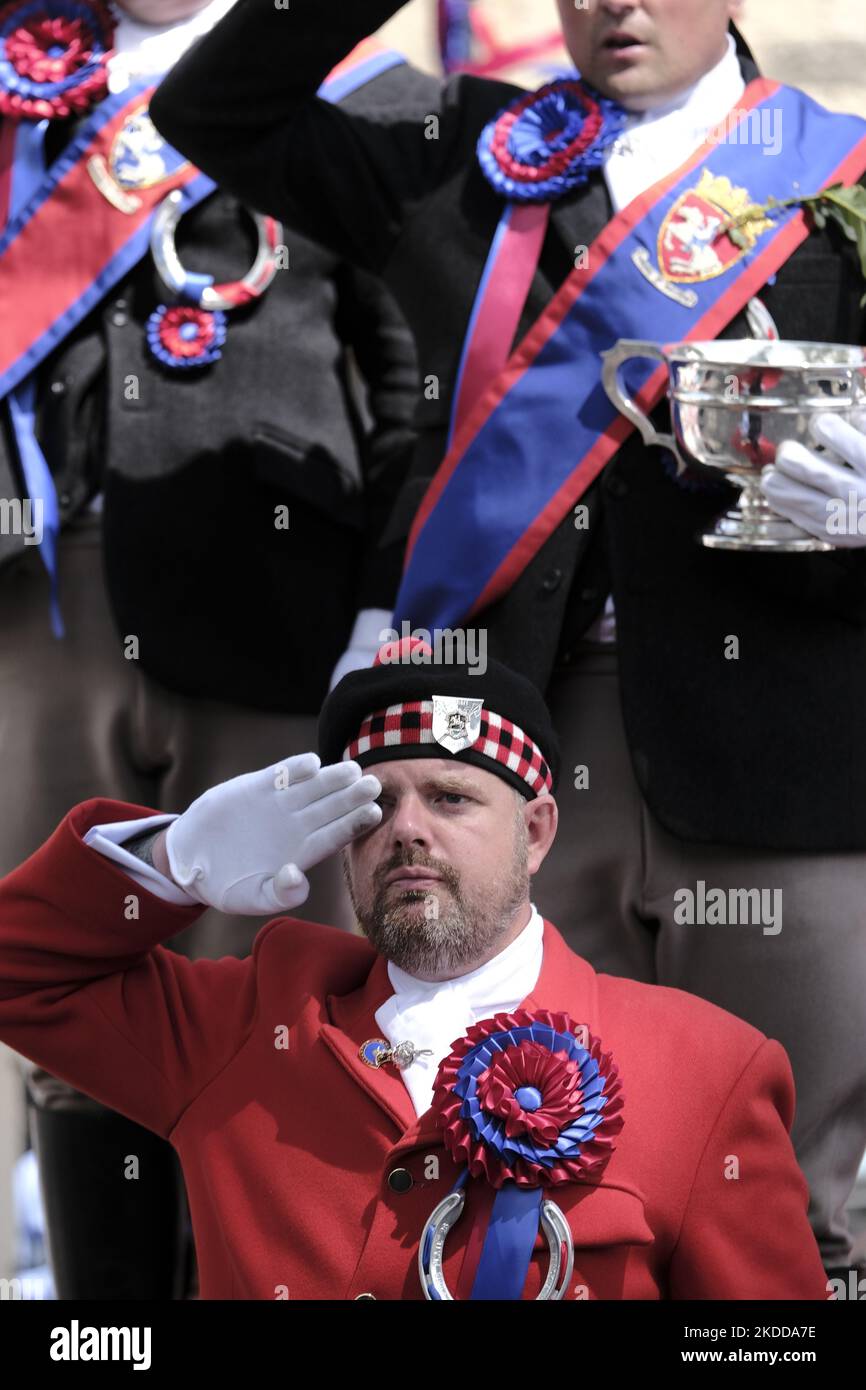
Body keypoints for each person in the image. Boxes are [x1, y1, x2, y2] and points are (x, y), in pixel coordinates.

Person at [148, 0, 866, 1279]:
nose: (617, 4)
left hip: (786, 749)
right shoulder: (463, 148)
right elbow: (214, 110)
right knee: (529, 1174)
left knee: (793, 1192)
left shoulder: (839, 170)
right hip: (513, 754)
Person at [0, 637, 830, 1300]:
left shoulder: (706, 1068)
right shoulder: (253, 1018)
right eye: (373, 806)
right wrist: (170, 860)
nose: (406, 830)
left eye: (450, 798)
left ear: (536, 832)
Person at [0, 0, 418, 1295]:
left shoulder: (360, 83)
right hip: (45, 611)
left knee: (261, 1000)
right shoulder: (22, 71)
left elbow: (417, 378)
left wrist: (382, 606)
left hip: (274, 610)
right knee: (63, 992)